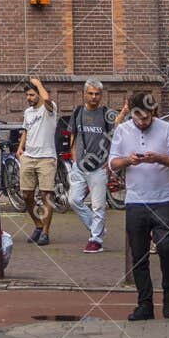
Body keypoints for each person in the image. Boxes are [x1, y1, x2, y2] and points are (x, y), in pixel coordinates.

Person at [109, 89, 169, 321]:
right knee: (139, 255)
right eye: (139, 118)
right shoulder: (122, 131)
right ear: (132, 114)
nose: (143, 122)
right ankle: (145, 304)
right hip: (135, 201)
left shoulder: (167, 129)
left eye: (147, 117)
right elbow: (112, 163)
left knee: (167, 245)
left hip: (164, 199)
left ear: (154, 112)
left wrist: (158, 157)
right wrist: (129, 160)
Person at [69, 79, 126, 252]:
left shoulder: (105, 113)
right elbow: (73, 136)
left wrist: (108, 163)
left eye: (97, 94)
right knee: (74, 200)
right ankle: (98, 229)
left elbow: (116, 134)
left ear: (101, 95)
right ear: (84, 94)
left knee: (98, 205)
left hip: (99, 167)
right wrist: (74, 159)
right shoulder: (78, 112)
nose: (94, 97)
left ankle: (96, 240)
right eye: (91, 93)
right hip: (79, 166)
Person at [17, 75, 58, 246]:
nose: (29, 98)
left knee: (46, 194)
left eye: (32, 95)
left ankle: (46, 233)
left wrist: (38, 83)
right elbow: (26, 130)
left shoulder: (50, 109)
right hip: (29, 156)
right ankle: (38, 225)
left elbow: (47, 98)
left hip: (47, 158)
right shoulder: (28, 112)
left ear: (39, 94)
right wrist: (20, 147)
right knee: (26, 194)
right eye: (27, 95)